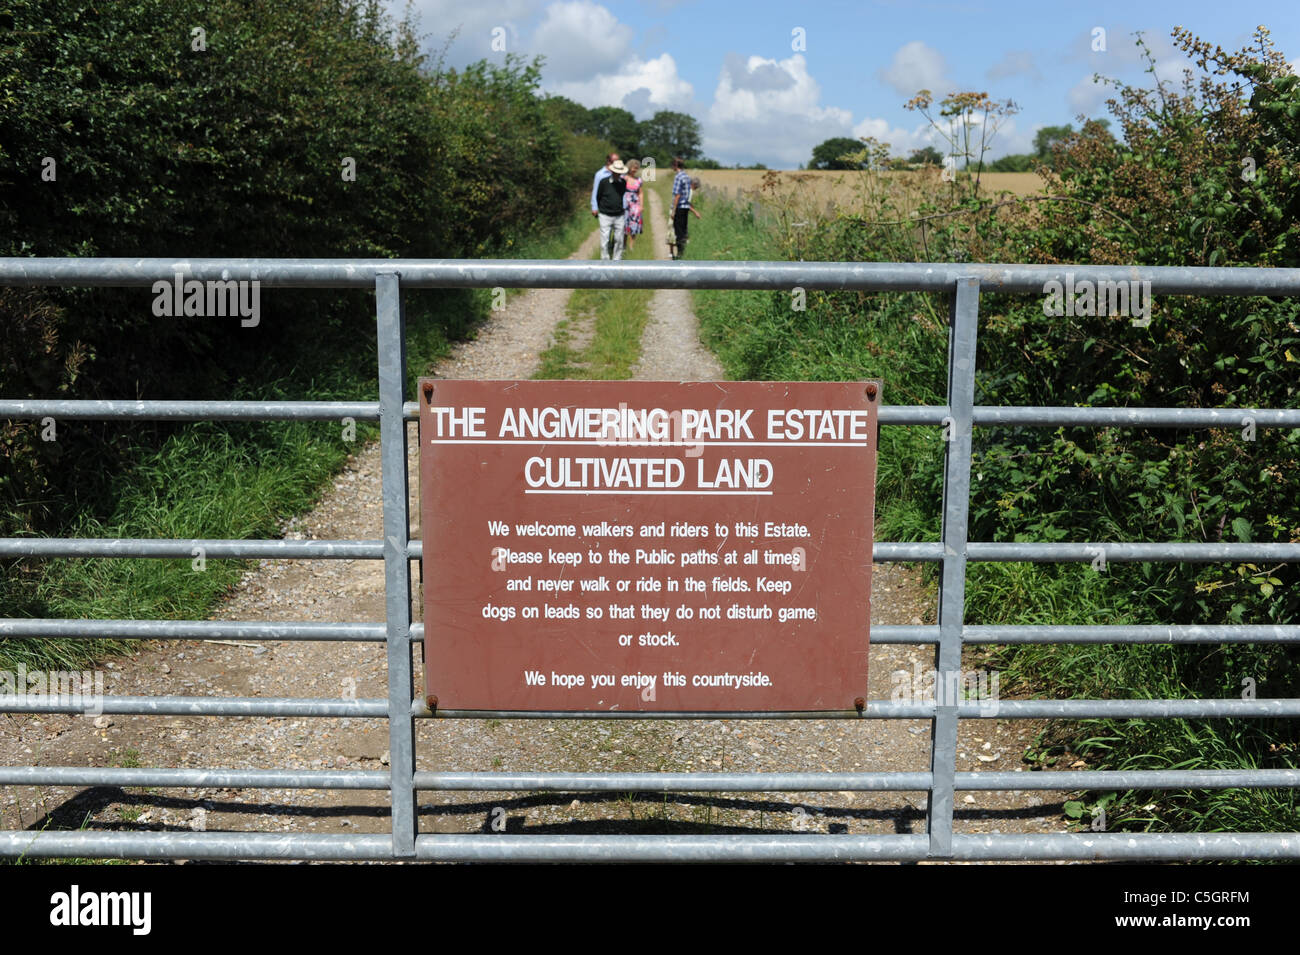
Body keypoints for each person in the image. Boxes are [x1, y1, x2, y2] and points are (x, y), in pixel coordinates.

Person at [591, 153, 628, 260]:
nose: (618, 174)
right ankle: (605, 262)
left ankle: (617, 260)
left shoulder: (623, 182)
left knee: (619, 239)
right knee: (605, 240)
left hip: (619, 214)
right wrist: (596, 207)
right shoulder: (603, 180)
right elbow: (597, 195)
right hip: (605, 214)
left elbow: (622, 195)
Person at [669, 157, 694, 259]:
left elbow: (677, 195)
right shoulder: (687, 176)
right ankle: (683, 252)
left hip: (679, 207)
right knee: (683, 230)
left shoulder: (678, 177)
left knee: (678, 231)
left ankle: (679, 254)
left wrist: (673, 211)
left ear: (675, 165)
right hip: (686, 207)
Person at [622, 159, 643, 252]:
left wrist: (641, 205)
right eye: (633, 168)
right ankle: (623, 246)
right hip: (625, 204)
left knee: (634, 225)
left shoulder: (638, 180)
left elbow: (640, 193)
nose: (635, 170)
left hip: (635, 205)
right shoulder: (623, 178)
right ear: (629, 167)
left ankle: (631, 246)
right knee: (624, 225)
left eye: (636, 168)